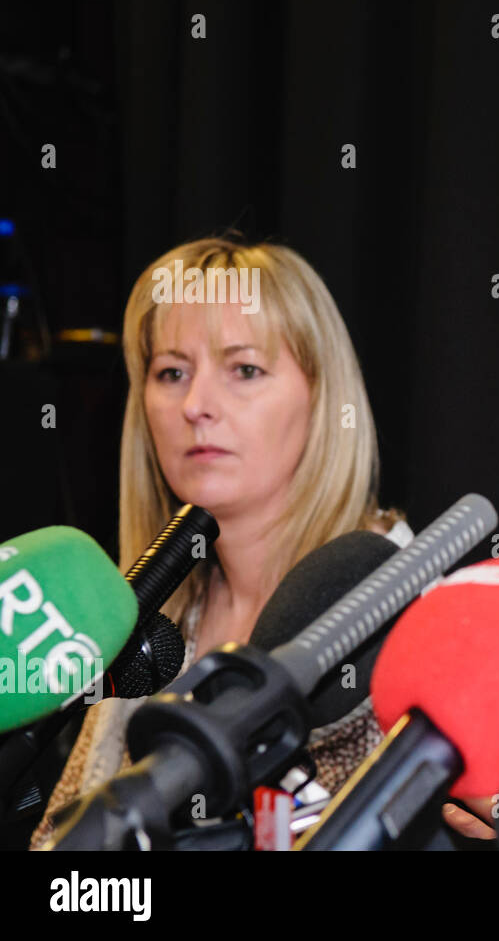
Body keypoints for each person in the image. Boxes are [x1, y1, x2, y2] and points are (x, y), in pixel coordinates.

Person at [30, 237, 408, 849]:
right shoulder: (154, 619)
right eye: (172, 372)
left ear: (321, 398)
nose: (196, 406)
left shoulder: (397, 603)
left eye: (245, 370)